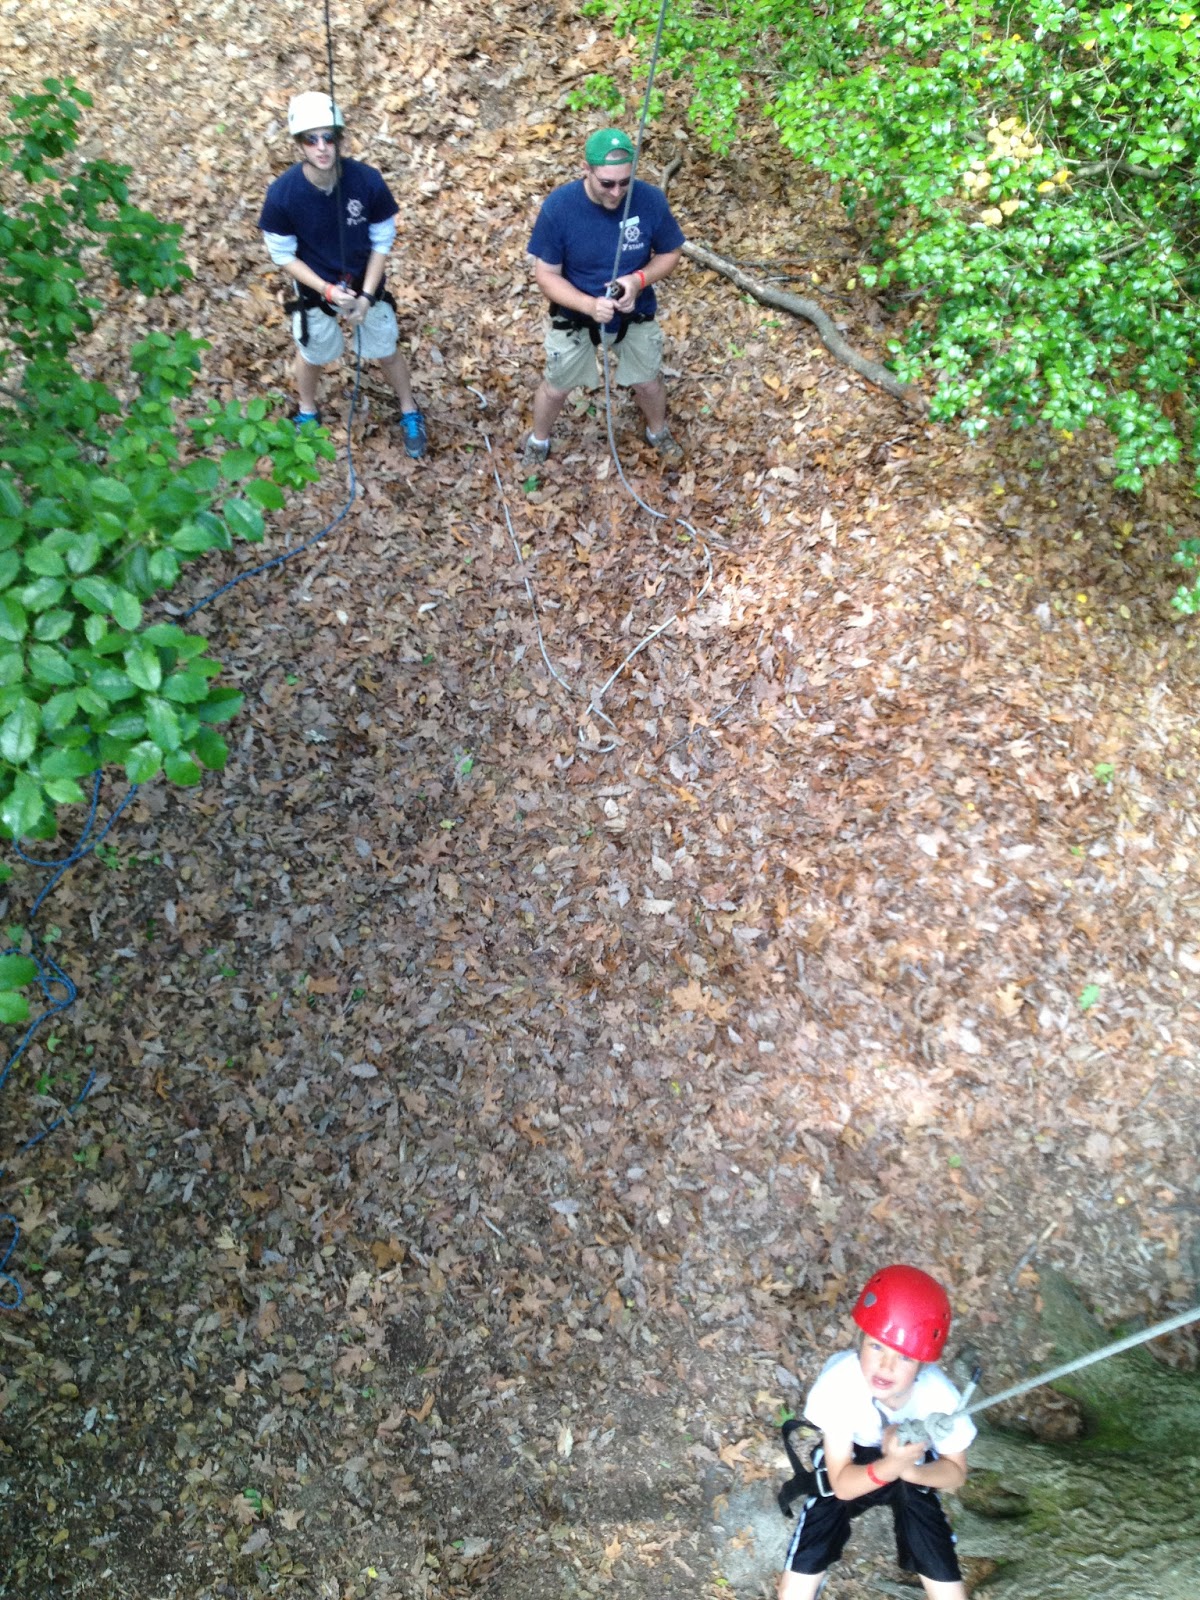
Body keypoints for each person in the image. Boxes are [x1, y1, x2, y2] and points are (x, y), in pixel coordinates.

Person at [778, 1265, 975, 1600]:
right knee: (793, 1591)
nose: (886, 1367)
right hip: (852, 1461)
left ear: (922, 1366)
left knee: (949, 1588)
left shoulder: (939, 1398)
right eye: (877, 1347)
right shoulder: (840, 1384)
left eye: (904, 1358)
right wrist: (890, 1467)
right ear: (861, 1341)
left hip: (913, 1465)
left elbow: (955, 1475)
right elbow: (841, 1485)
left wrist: (909, 1468)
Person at [257, 91, 427, 458]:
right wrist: (326, 290)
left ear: (340, 139)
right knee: (313, 351)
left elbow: (382, 240)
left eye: (329, 137)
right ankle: (307, 410)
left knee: (385, 347)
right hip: (315, 288)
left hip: (366, 282)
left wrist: (366, 296)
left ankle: (409, 409)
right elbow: (282, 255)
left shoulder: (366, 182)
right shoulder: (283, 195)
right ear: (298, 144)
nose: (322, 147)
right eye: (310, 139)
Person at [523, 127, 685, 466]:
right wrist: (587, 304)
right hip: (576, 313)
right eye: (607, 183)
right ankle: (539, 440)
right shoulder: (560, 208)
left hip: (634, 309)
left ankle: (657, 431)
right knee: (556, 386)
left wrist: (638, 280)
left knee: (648, 383)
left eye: (625, 182)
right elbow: (546, 275)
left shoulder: (650, 200)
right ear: (586, 169)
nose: (617, 192)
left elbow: (671, 252)